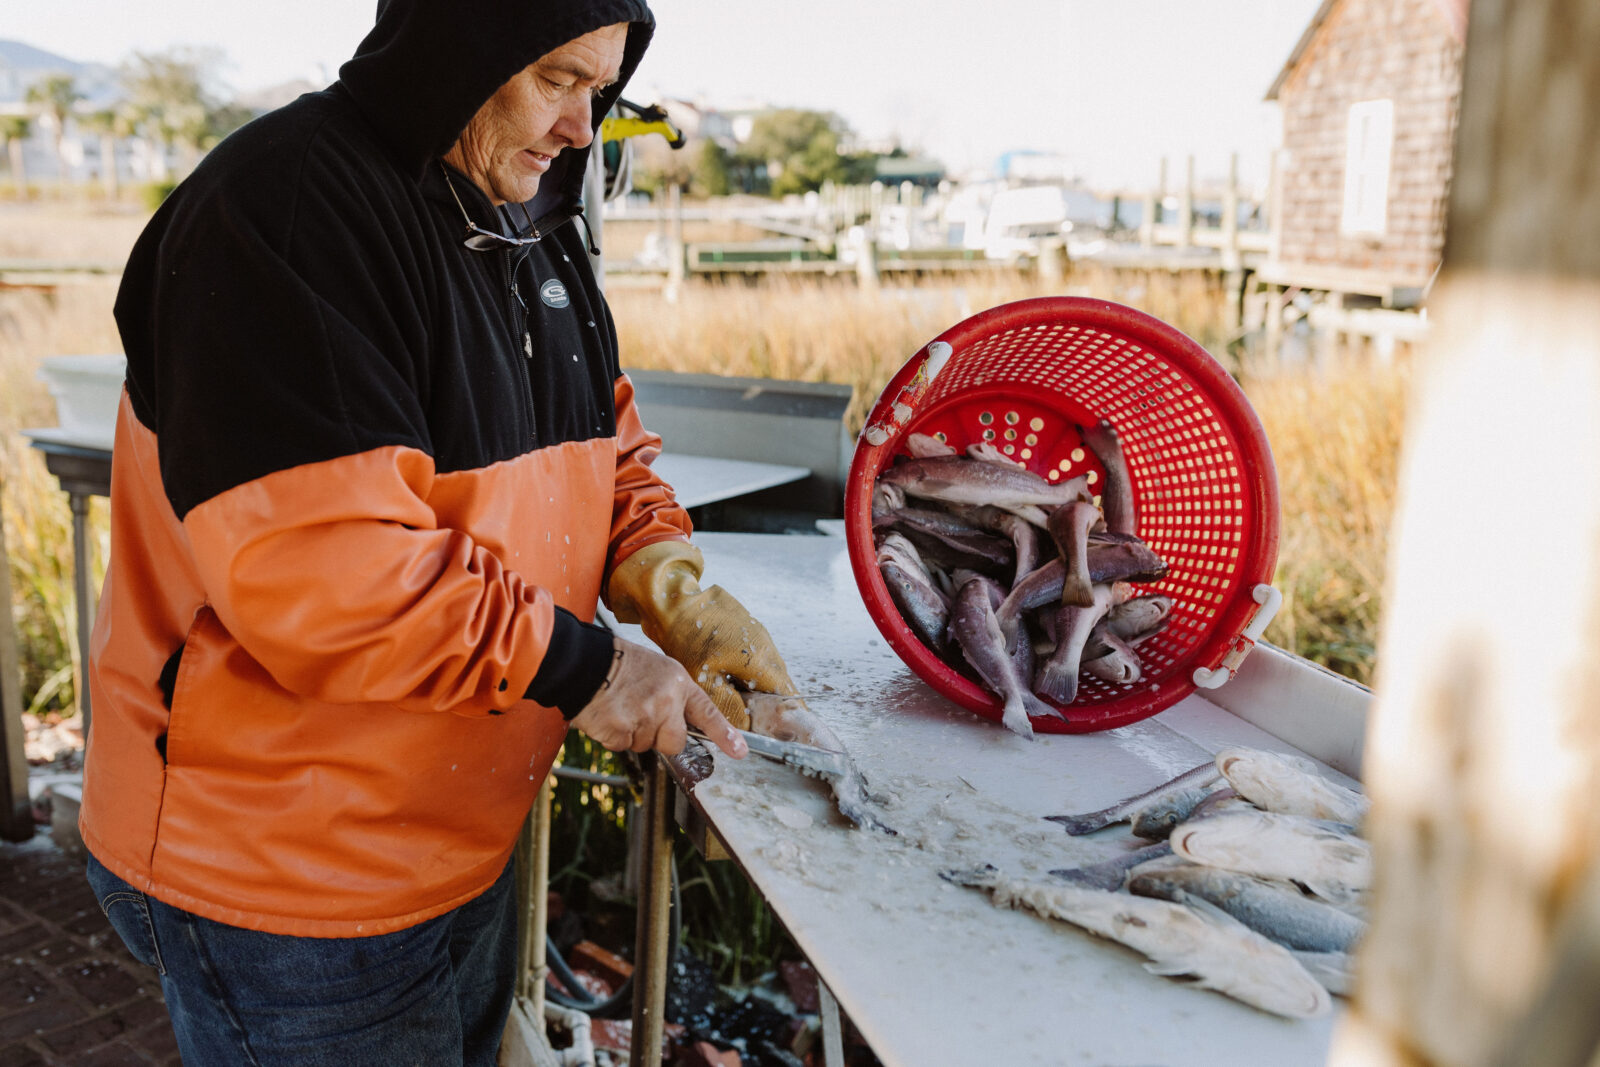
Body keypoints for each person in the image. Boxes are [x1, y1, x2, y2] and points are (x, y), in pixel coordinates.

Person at [78, 1, 805, 1062]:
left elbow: (602, 444)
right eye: (558, 78)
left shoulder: (525, 217)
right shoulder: (287, 214)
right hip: (289, 874)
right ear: (460, 46)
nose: (582, 130)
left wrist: (663, 572)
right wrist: (595, 672)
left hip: (457, 835)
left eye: (599, 91)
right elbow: (331, 573)